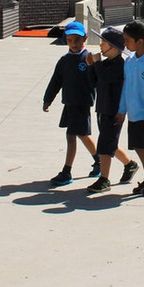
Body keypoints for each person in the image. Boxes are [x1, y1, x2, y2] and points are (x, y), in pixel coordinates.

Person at [42, 21, 101, 186]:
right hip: (69, 102)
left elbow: (97, 81)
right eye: (69, 40)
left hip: (81, 103)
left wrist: (92, 67)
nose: (73, 44)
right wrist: (48, 99)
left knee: (72, 136)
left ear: (85, 39)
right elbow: (56, 81)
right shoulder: (64, 60)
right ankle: (98, 160)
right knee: (82, 135)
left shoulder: (89, 58)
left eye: (77, 40)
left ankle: (67, 171)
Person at [85, 27, 140, 192]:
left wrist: (96, 63)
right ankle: (130, 164)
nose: (100, 46)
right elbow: (93, 82)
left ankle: (104, 179)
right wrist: (90, 66)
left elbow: (104, 77)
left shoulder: (119, 66)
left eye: (103, 43)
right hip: (102, 107)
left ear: (114, 48)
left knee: (104, 144)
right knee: (109, 143)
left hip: (114, 111)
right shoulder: (105, 64)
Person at [115, 19, 144, 196]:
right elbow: (126, 88)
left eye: (128, 40)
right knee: (137, 145)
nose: (125, 43)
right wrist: (122, 110)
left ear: (140, 41)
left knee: (142, 146)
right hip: (132, 114)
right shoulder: (129, 62)